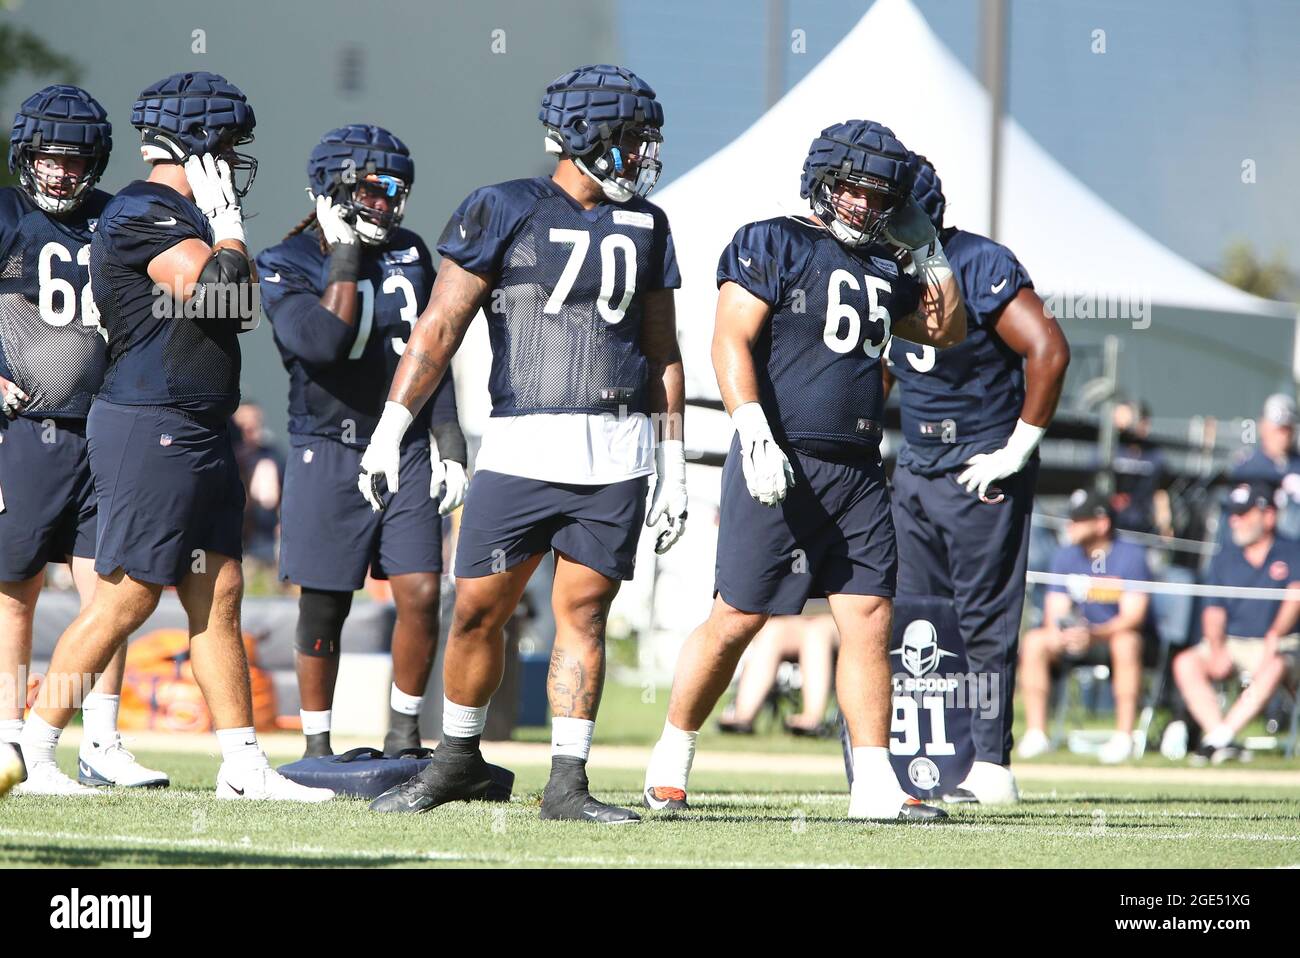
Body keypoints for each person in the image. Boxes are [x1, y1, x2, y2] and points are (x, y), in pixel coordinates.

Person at [362, 65, 687, 824]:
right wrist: (387, 431)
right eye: (630, 139)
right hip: (519, 447)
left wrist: (672, 465)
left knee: (586, 613)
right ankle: (455, 760)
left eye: (645, 140)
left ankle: (567, 785)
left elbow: (664, 351)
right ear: (584, 138)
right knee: (476, 609)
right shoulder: (503, 205)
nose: (642, 155)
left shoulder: (649, 223)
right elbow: (439, 328)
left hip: (615, 451)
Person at [19, 71, 331, 802]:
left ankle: (243, 767)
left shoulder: (177, 217)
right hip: (149, 423)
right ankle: (33, 750)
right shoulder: (143, 210)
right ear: (196, 144)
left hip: (198, 424)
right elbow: (228, 299)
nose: (233, 158)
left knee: (218, 592)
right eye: (224, 143)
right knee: (124, 600)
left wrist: (222, 231)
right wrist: (228, 228)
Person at [643, 121, 966, 821]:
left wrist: (931, 251)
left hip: (856, 468)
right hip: (780, 455)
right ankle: (672, 755)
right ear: (822, 180)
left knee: (871, 618)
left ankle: (875, 780)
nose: (861, 202)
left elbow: (949, 328)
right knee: (737, 617)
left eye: (876, 192)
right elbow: (730, 336)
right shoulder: (774, 239)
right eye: (851, 186)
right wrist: (753, 430)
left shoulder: (887, 265)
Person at [256, 125, 468, 758]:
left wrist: (450, 439)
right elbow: (322, 342)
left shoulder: (409, 250)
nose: (387, 205)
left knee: (423, 590)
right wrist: (345, 256)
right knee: (326, 602)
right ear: (334, 189)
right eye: (374, 190)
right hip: (329, 445)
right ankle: (316, 746)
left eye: (396, 191)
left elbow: (433, 348)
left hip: (401, 445)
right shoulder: (284, 260)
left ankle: (404, 734)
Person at [884, 154, 1069, 803]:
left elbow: (1047, 348)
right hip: (915, 467)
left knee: (984, 619)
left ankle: (990, 761)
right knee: (918, 621)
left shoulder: (980, 261)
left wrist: (1018, 447)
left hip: (979, 465)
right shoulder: (881, 272)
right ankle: (930, 755)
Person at [0, 84, 169, 794]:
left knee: (108, 589)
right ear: (26, 157)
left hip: (105, 428)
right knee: (15, 590)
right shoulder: (7, 215)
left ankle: (100, 739)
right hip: (25, 429)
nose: (61, 172)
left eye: (73, 160)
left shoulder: (115, 218)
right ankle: (14, 743)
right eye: (48, 158)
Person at [1018, 490, 1152, 764]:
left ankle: (1124, 736)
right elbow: (1054, 611)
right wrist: (1068, 632)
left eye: (1079, 520)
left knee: (1126, 641)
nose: (1070, 526)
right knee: (1034, 642)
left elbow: (1133, 616)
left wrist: (1094, 634)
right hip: (1076, 638)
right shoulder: (1064, 556)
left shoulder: (1132, 556)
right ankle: (1036, 733)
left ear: (1102, 523)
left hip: (1110, 638)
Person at [1171, 481, 1300, 764]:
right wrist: (1216, 648)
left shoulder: (1293, 551)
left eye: (1243, 513)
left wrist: (1274, 636)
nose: (1234, 520)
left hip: (1282, 644)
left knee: (1276, 664)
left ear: (1268, 516)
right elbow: (1213, 612)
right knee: (1186, 663)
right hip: (1233, 643)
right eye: (1233, 513)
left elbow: (1295, 597)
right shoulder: (1224, 558)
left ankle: (1219, 738)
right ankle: (1222, 737)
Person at [716, 614, 838, 736]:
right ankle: (743, 716)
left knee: (816, 632)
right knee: (772, 630)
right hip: (800, 621)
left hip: (842, 621)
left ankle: (812, 717)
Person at [1230, 394, 1300, 540]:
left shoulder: (1296, 465)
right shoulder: (1249, 466)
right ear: (1263, 427)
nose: (1283, 436)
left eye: (1287, 430)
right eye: (1278, 429)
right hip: (1258, 546)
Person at [230, 401, 283, 571]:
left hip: (265, 542)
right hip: (232, 540)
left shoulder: (271, 456)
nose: (249, 427)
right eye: (243, 423)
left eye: (254, 421)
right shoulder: (223, 456)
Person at [1109, 400, 1171, 537]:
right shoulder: (1109, 451)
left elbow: (1161, 492)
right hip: (1110, 527)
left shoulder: (1155, 455)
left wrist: (1165, 525)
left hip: (1141, 527)